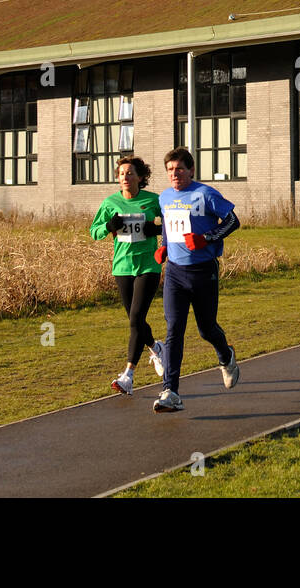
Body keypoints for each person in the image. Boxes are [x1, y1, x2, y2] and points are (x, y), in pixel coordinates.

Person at [151, 147, 242, 413]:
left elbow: (233, 220)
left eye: (179, 169)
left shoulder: (205, 194)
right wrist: (165, 246)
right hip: (175, 274)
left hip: (204, 271)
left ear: (191, 170)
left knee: (206, 329)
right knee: (173, 330)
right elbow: (170, 225)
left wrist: (207, 238)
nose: (174, 174)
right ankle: (171, 391)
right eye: (170, 170)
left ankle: (226, 356)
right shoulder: (166, 197)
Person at [90, 156, 167, 395]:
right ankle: (155, 348)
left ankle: (128, 375)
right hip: (122, 267)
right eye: (121, 173)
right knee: (135, 320)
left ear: (140, 177)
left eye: (130, 173)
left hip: (148, 265)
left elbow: (172, 224)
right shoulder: (110, 202)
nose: (125, 177)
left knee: (135, 317)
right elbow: (94, 232)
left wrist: (154, 229)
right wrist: (108, 227)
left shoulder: (153, 200)